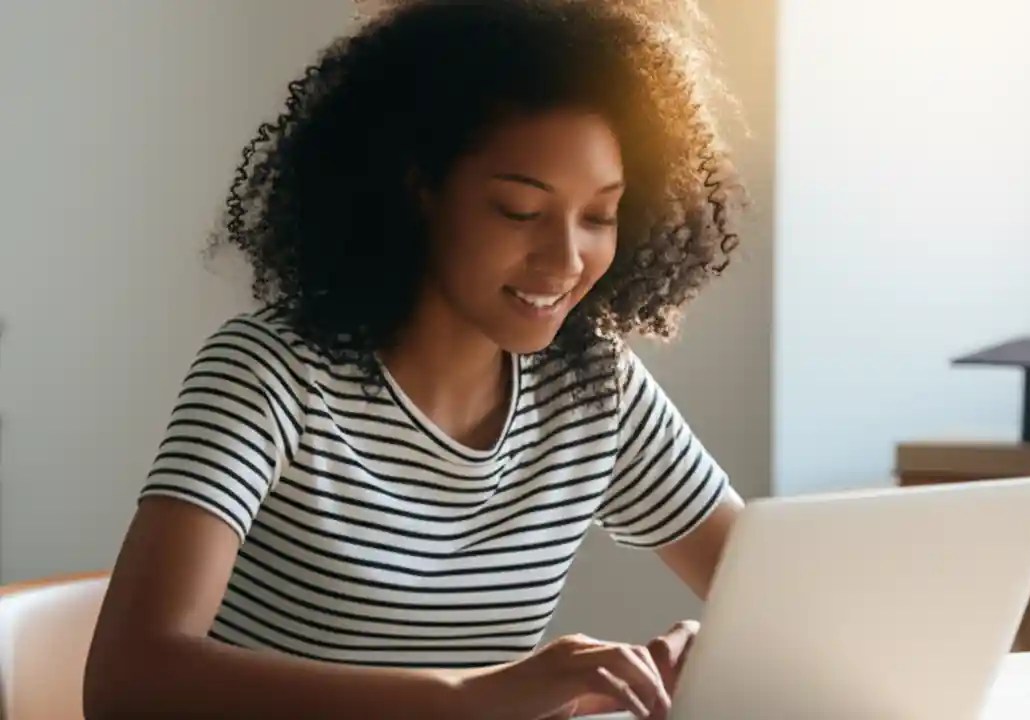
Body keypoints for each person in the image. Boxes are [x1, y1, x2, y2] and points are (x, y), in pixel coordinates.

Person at [83, 1, 747, 718]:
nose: (565, 259)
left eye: (599, 217)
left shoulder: (593, 391)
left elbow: (779, 590)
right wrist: (472, 696)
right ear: (418, 187)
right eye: (520, 212)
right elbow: (128, 680)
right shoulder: (270, 374)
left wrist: (713, 650)